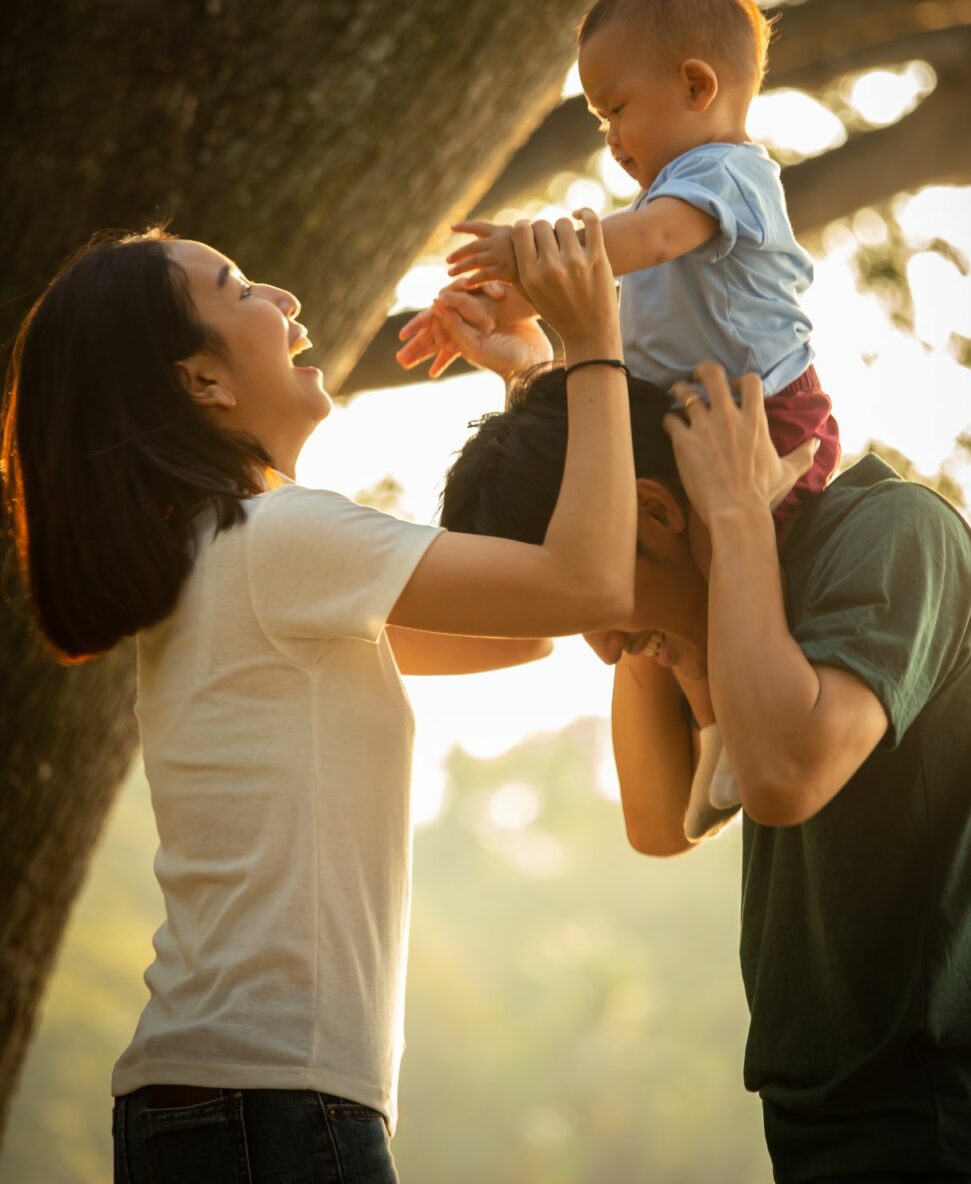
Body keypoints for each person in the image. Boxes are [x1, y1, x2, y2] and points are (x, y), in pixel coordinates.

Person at [0, 212, 637, 1184]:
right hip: (270, 1113)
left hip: (224, 1109)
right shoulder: (279, 542)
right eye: (239, 288)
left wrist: (527, 377)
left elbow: (525, 627)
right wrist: (595, 348)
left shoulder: (229, 560)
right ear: (202, 380)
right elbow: (588, 584)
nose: (285, 300)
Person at [429, 290, 971, 1184]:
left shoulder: (891, 536)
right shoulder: (726, 603)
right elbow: (661, 816)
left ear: (660, 514)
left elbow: (785, 771)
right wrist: (545, 389)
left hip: (937, 1129)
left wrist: (735, 518)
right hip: (822, 1130)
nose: (600, 648)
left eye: (591, 603)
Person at [405, 0, 841, 838]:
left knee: (733, 571)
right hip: (697, 421)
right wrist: (513, 313)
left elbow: (640, 242)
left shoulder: (723, 177)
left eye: (615, 109)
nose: (609, 136)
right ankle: (719, 727)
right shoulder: (661, 202)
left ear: (694, 83)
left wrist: (542, 252)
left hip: (768, 422)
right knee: (715, 581)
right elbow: (614, 325)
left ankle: (732, 726)